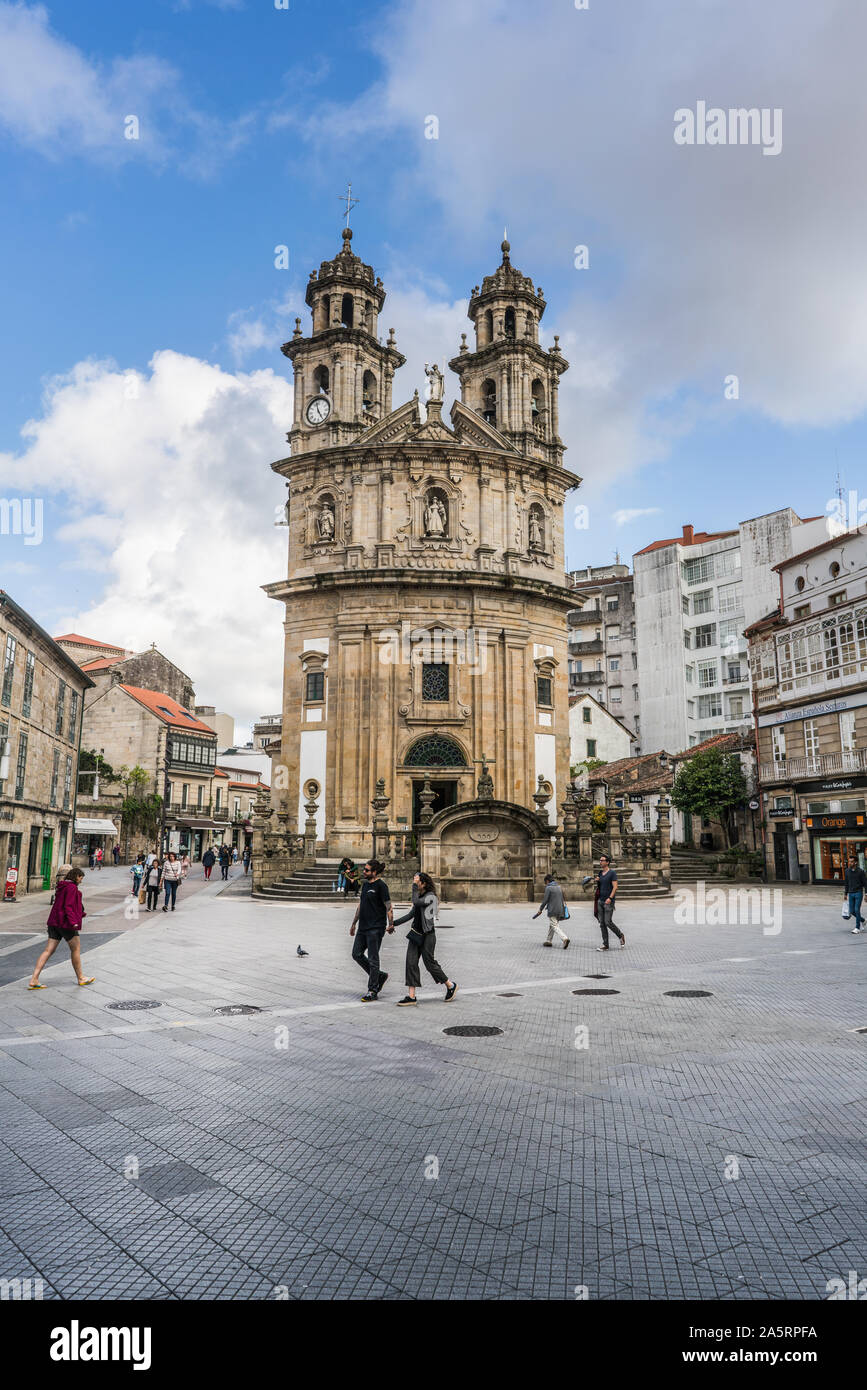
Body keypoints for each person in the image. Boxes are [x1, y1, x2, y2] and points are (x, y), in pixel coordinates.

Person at [392, 872, 457, 1005]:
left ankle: (450, 985)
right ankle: (411, 997)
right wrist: (393, 924)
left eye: (417, 882)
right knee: (411, 963)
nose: (415, 884)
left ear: (424, 883)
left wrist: (413, 887)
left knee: (430, 964)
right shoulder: (420, 897)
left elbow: (415, 901)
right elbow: (411, 914)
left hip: (428, 936)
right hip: (416, 934)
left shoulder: (431, 897)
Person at [28, 868, 94, 989]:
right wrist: (73, 922)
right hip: (65, 923)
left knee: (48, 950)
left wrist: (80, 914)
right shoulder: (72, 888)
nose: (81, 881)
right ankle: (81, 978)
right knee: (76, 948)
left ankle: (34, 979)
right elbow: (68, 906)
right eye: (81, 878)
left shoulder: (61, 886)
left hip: (53, 922)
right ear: (76, 876)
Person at [349, 859, 394, 1001]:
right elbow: (360, 905)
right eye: (365, 869)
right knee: (356, 954)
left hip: (376, 928)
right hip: (363, 927)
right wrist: (353, 923)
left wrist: (391, 923)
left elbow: (389, 906)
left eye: (367, 870)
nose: (364, 871)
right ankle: (380, 976)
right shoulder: (365, 885)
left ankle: (373, 990)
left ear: (374, 872)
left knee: (374, 959)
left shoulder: (381, 886)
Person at [594, 853, 625, 951]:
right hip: (600, 900)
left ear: (607, 862)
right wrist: (597, 880)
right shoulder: (600, 873)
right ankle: (605, 944)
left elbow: (615, 887)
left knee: (608, 922)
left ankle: (620, 935)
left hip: (608, 901)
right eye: (600, 860)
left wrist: (610, 898)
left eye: (602, 860)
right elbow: (601, 885)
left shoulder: (612, 873)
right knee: (602, 923)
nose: (600, 862)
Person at [532, 873, 570, 949]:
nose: (545, 884)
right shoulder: (559, 887)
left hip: (552, 910)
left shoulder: (548, 888)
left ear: (547, 881)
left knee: (554, 925)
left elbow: (545, 901)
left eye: (545, 882)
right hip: (560, 909)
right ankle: (549, 941)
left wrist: (540, 909)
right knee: (552, 924)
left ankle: (564, 938)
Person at [843, 852, 867, 933]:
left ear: (856, 862)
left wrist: (866, 894)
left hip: (858, 893)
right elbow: (846, 883)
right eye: (849, 861)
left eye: (852, 861)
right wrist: (845, 893)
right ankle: (863, 920)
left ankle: (857, 928)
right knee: (852, 911)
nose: (850, 863)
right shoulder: (847, 871)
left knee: (857, 910)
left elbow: (865, 884)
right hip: (850, 893)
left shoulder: (861, 871)